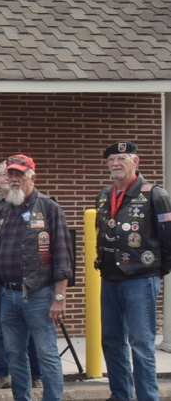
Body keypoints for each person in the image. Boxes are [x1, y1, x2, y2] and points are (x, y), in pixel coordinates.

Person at [0, 154, 72, 401]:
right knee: (14, 354)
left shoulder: (50, 207)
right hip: (7, 296)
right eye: (10, 174)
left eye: (19, 174)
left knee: (47, 354)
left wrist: (59, 297)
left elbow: (64, 257)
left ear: (32, 176)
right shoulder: (4, 213)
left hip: (40, 295)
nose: (13, 179)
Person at [94, 141, 171, 401]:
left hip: (140, 280)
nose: (115, 164)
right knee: (112, 342)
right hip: (109, 278)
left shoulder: (155, 194)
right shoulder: (104, 194)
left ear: (136, 162)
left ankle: (148, 397)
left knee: (141, 345)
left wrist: (156, 271)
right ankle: (120, 396)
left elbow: (168, 239)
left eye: (122, 159)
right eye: (111, 160)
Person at [0, 160, 42, 390]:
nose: (8, 178)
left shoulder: (39, 204)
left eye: (14, 174)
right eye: (4, 174)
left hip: (30, 281)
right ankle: (2, 373)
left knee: (33, 332)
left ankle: (36, 375)